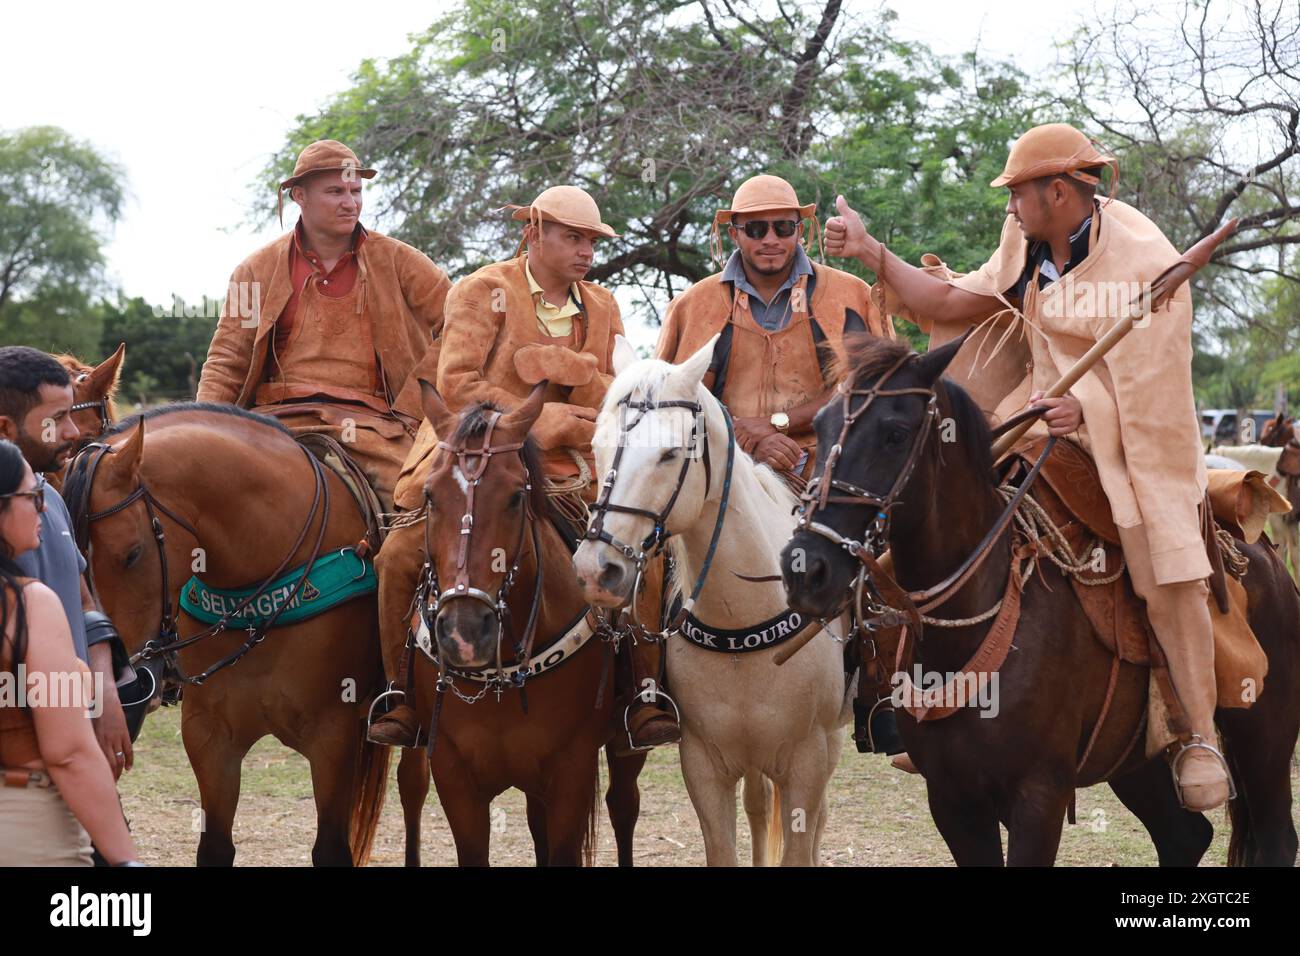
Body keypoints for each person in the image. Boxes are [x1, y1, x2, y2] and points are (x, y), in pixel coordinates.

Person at [826, 123, 1229, 811]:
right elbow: (951, 304)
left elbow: (1152, 382)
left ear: (1061, 190)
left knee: (1165, 562)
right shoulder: (1025, 241)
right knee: (935, 509)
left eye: (1017, 194)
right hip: (1031, 409)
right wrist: (872, 251)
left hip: (1127, 437)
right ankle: (923, 704)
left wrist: (1090, 414)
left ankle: (1197, 730)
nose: (1010, 206)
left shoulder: (1144, 258)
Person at [371, 185, 680, 751]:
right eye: (572, 237)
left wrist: (579, 399)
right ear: (534, 233)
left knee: (645, 550)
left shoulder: (604, 304)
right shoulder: (483, 289)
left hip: (572, 465)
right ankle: (399, 696)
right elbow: (456, 386)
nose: (585, 250)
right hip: (474, 455)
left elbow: (617, 389)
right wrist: (540, 420)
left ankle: (643, 692)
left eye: (591, 240)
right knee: (396, 555)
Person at [197, 139, 451, 511]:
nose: (350, 203)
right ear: (300, 195)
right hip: (273, 421)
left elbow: (458, 325)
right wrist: (204, 426)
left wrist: (413, 404)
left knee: (418, 507)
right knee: (198, 501)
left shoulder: (400, 261)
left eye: (356, 191)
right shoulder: (256, 270)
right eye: (335, 192)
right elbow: (227, 360)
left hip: (374, 428)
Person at [655, 174, 894, 481]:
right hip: (723, 473)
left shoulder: (853, 295)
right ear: (734, 234)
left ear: (800, 231)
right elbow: (677, 401)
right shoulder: (693, 304)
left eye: (783, 227)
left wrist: (774, 423)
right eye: (755, 229)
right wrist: (743, 438)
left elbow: (871, 387)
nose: (771, 240)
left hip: (835, 477)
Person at [0, 440, 140, 866]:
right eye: (32, 496)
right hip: (25, 831)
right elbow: (69, 753)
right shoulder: (28, 605)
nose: (43, 507)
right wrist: (128, 861)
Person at [0, 346, 133, 778]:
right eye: (57, 420)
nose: (74, 433)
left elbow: (84, 603)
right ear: (6, 428)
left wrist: (104, 692)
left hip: (73, 750)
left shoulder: (51, 499)